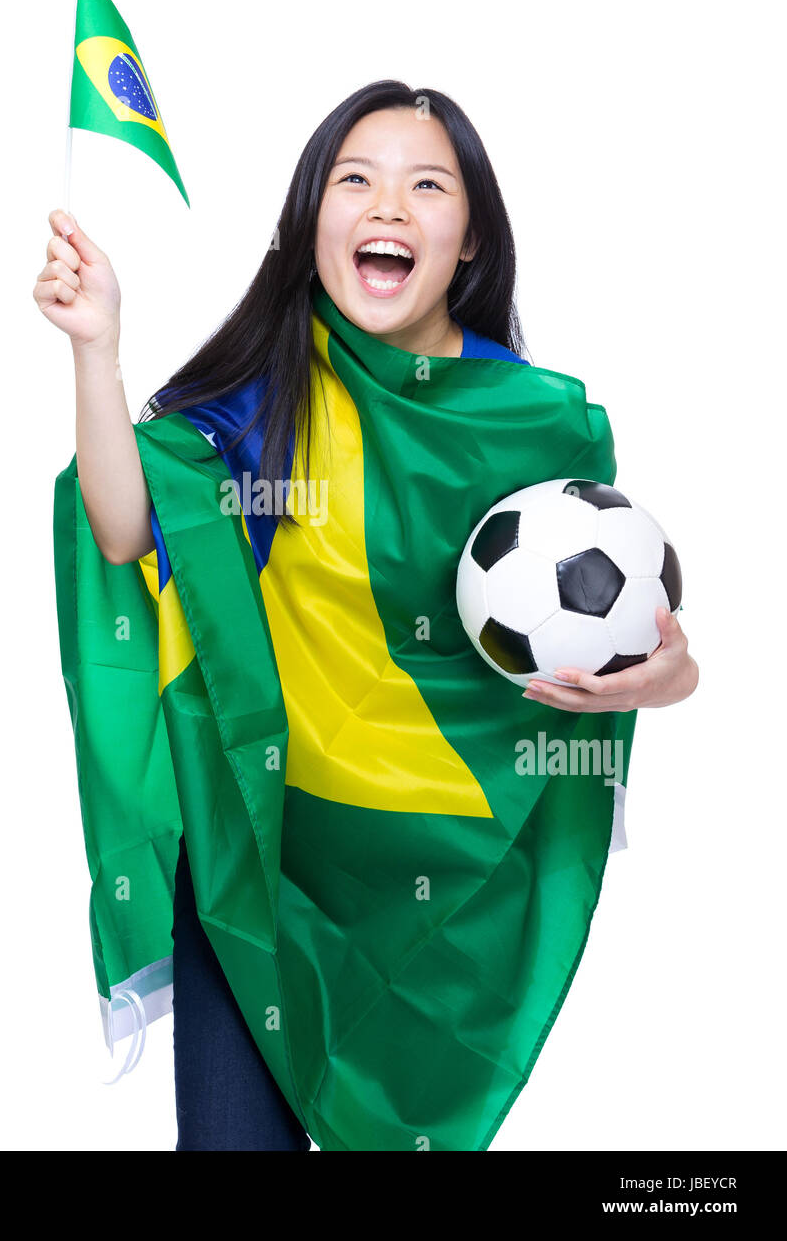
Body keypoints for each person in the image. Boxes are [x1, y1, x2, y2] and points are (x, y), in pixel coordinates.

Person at [34, 80, 699, 1151]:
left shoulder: (533, 428)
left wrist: (666, 679)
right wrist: (96, 348)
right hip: (260, 856)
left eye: (425, 184)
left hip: (439, 887)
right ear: (311, 223)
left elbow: (652, 652)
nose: (387, 205)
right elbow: (123, 528)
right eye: (356, 180)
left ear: (470, 235)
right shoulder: (270, 394)